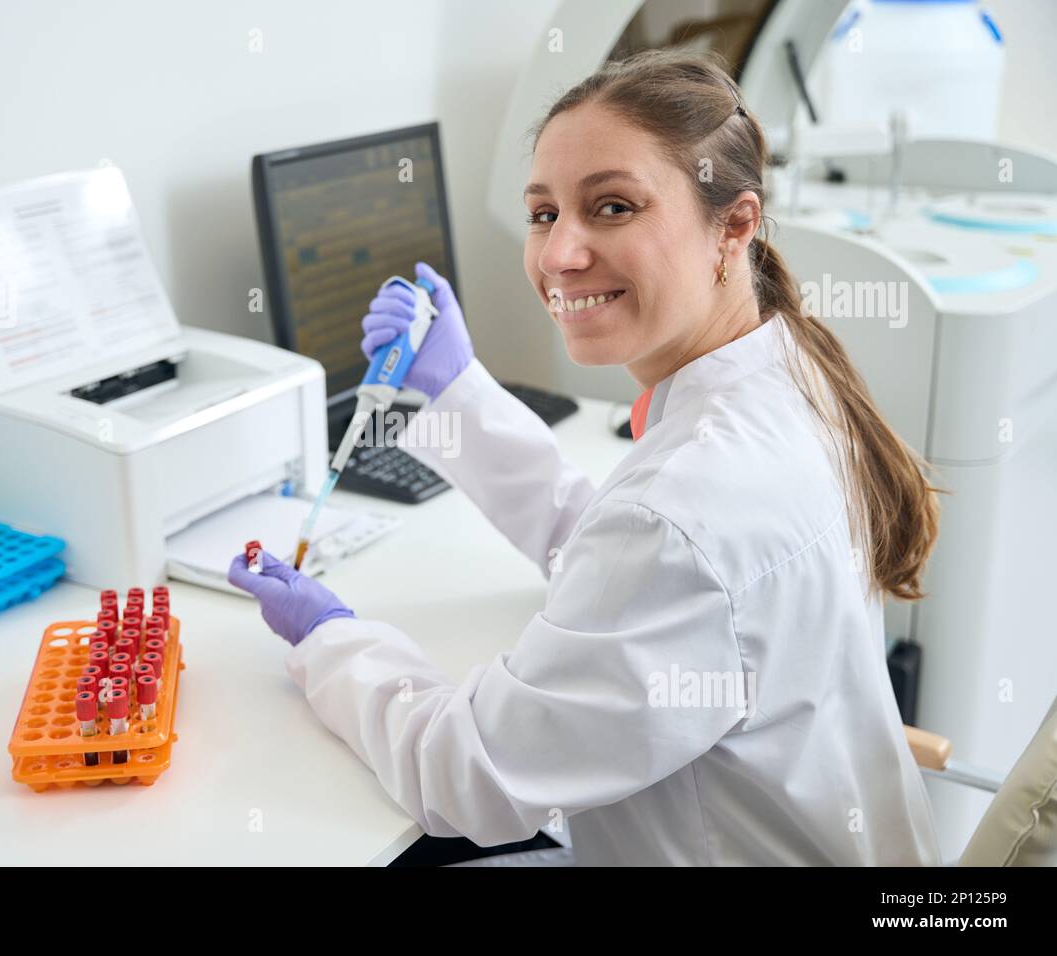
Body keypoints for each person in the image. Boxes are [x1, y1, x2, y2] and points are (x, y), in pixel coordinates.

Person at [228, 50, 942, 865]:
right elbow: (619, 549)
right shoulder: (789, 374)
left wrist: (330, 641)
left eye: (611, 207)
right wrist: (457, 389)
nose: (561, 254)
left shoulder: (689, 506)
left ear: (734, 225)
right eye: (543, 214)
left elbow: (464, 776)